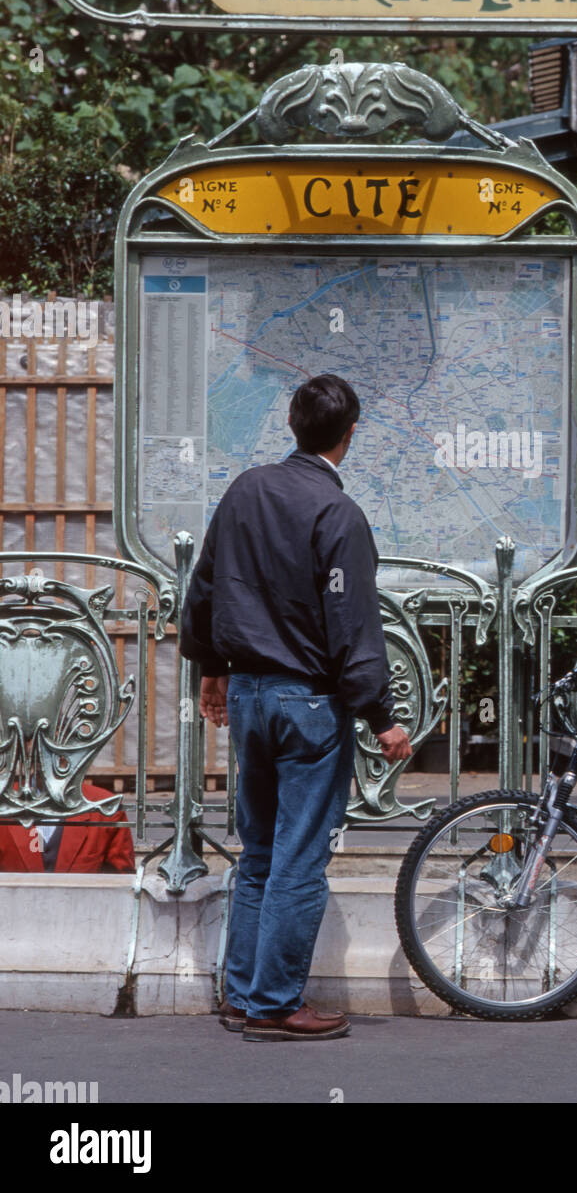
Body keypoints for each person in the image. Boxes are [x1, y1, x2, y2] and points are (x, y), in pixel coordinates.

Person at [179, 374, 411, 1041]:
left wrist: (212, 671)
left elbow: (204, 588)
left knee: (257, 851)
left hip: (249, 697)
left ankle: (243, 995)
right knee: (299, 857)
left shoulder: (246, 490)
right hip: (307, 703)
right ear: (350, 433)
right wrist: (381, 718)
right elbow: (353, 629)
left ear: (292, 425)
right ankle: (277, 1001)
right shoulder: (338, 515)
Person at [0, 782, 135, 873]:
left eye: (53, 738)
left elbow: (121, 884)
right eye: (29, 739)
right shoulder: (3, 803)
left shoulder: (104, 807)